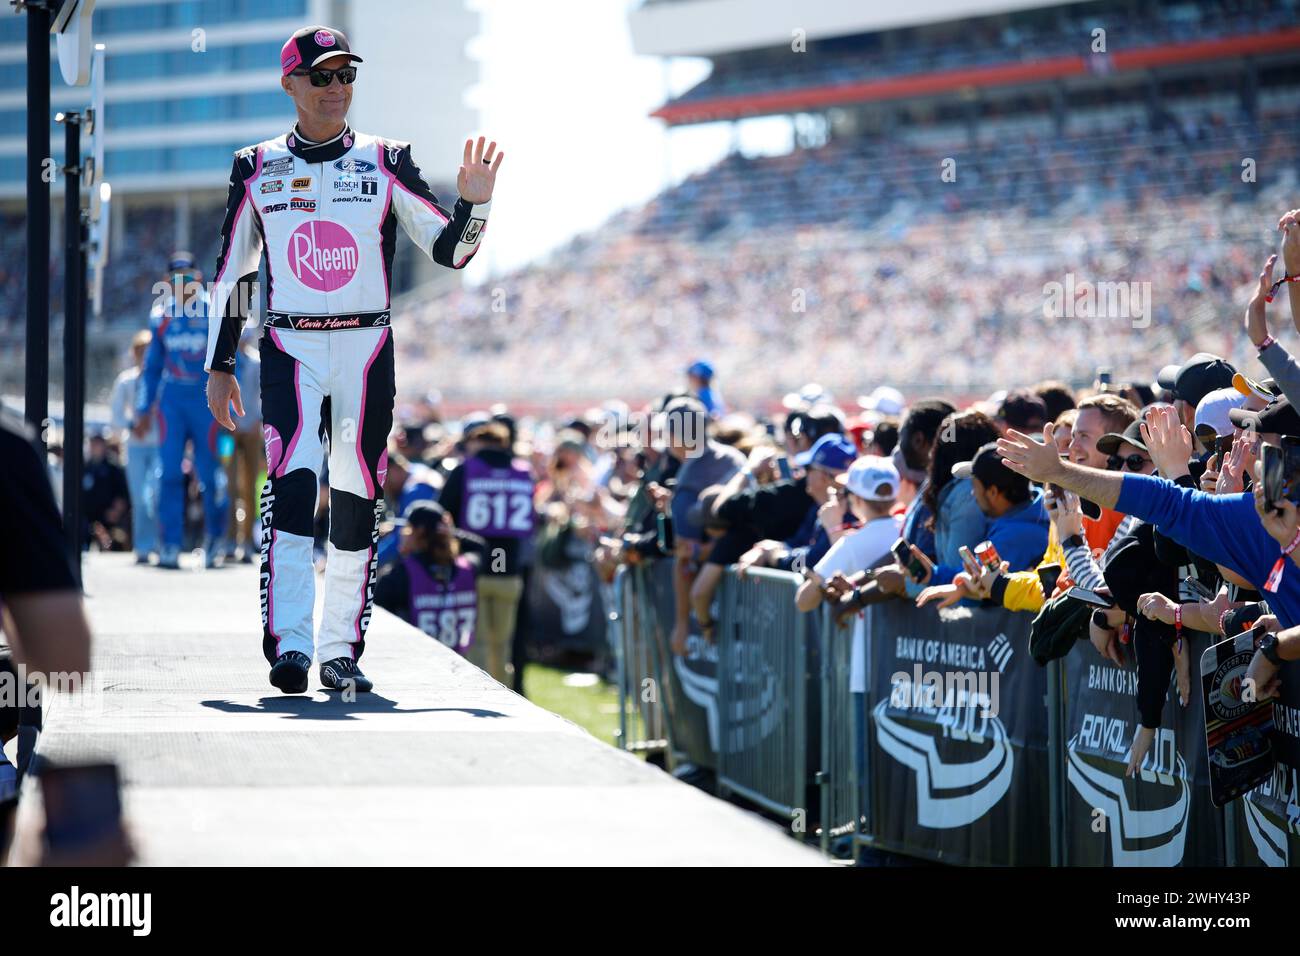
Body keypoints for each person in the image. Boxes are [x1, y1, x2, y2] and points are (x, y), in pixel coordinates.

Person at [203, 25, 502, 694]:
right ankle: (290, 644)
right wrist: (219, 365)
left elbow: (451, 251)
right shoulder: (255, 165)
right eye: (322, 75)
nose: (336, 87)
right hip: (290, 346)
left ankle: (340, 648)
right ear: (290, 84)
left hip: (366, 348)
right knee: (291, 486)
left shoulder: (387, 158)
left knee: (356, 495)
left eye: (346, 74)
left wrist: (475, 203)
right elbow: (234, 272)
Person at [137, 252, 229, 569]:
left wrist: (229, 404)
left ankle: (216, 539)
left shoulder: (215, 309)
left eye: (188, 276)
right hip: (172, 404)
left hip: (207, 403)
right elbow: (152, 368)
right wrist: (143, 408)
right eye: (176, 278)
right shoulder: (160, 315)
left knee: (211, 475)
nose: (183, 283)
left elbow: (230, 360)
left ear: (199, 278)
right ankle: (170, 544)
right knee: (169, 474)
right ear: (166, 282)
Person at [437, 421, 533, 685]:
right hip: (509, 569)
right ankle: (506, 698)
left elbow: (443, 515)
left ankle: (479, 695)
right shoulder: (523, 471)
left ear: (478, 442)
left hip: (474, 569)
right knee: (502, 646)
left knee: (476, 642)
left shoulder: (465, 470)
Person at [373, 501, 486, 655]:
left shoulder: (399, 576)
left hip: (416, 661)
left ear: (418, 533)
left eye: (407, 529)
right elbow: (480, 546)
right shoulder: (467, 568)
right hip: (457, 662)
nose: (402, 534)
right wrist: (448, 531)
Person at [109, 330, 160, 563]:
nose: (145, 356)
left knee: (157, 494)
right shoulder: (126, 381)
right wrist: (132, 425)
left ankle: (160, 542)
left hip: (158, 443)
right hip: (135, 445)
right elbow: (116, 415)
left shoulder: (162, 379)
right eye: (141, 351)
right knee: (139, 497)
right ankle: (143, 546)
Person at [224, 330, 263, 563]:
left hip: (251, 431)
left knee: (250, 485)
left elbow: (262, 395)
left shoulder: (256, 362)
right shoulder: (223, 362)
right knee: (227, 484)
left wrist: (256, 421)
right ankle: (228, 539)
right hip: (226, 434)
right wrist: (228, 421)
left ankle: (246, 541)